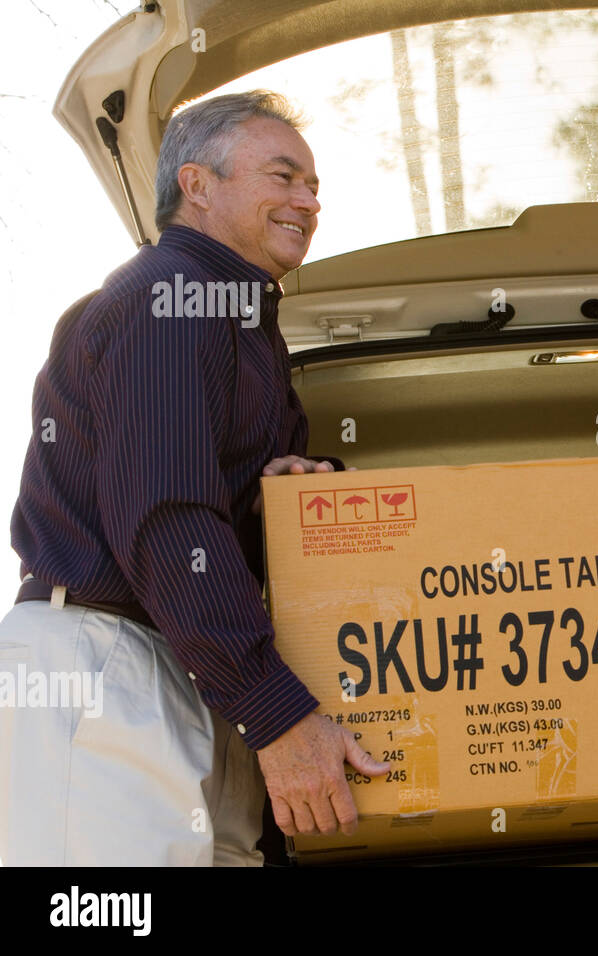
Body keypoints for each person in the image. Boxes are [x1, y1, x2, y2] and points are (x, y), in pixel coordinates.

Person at [0, 91, 388, 866]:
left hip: (191, 669)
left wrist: (275, 495)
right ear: (197, 185)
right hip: (104, 664)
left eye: (314, 188)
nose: (308, 202)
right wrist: (277, 715)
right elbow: (166, 519)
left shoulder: (243, 326)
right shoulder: (166, 300)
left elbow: (196, 507)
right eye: (284, 177)